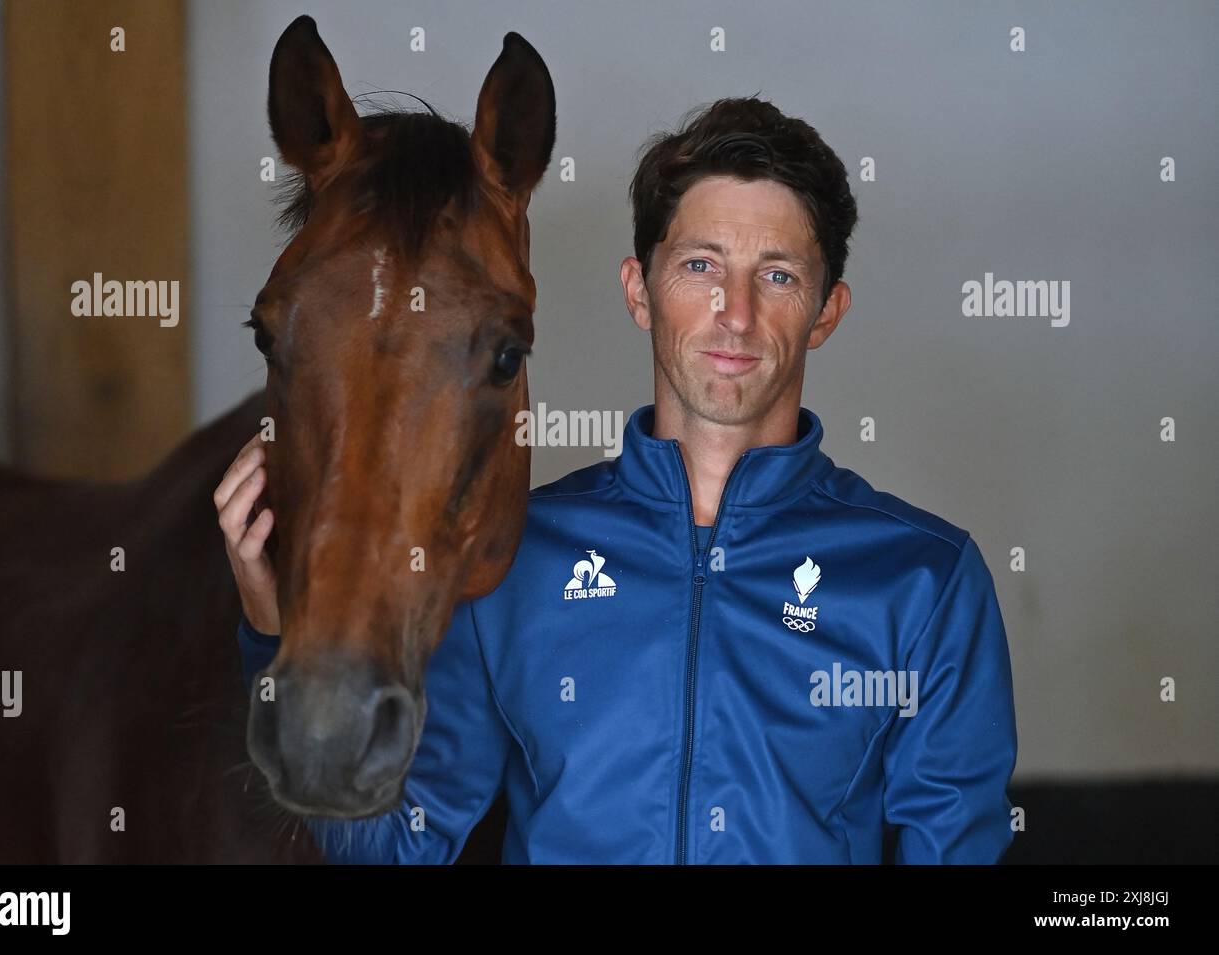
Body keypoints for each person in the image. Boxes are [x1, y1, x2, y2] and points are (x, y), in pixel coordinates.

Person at [216, 96, 1018, 864]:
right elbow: (390, 849)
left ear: (827, 309)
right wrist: (270, 633)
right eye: (701, 265)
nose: (733, 312)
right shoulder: (512, 563)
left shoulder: (925, 582)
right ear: (640, 291)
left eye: (776, 275)